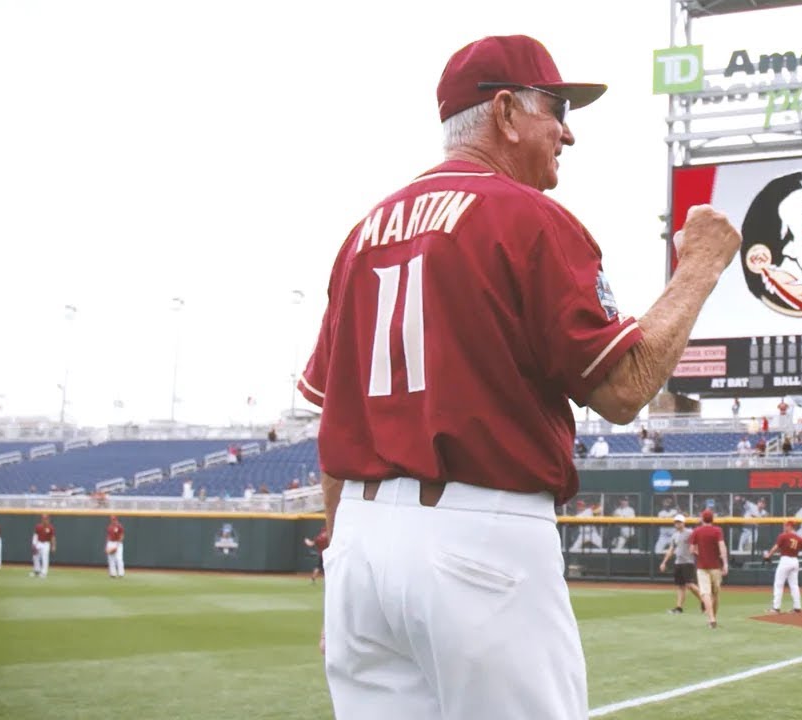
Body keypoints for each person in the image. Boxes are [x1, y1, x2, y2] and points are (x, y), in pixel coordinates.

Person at [297, 34, 743, 720]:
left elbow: (334, 423)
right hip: (478, 538)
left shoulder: (362, 234)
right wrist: (700, 269)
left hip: (359, 546)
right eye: (556, 108)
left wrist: (341, 557)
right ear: (505, 112)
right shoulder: (527, 216)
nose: (568, 132)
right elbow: (623, 390)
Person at [690, 508, 728, 629]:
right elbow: (722, 546)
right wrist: (725, 563)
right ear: (712, 519)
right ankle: (713, 618)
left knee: (705, 593)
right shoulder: (718, 530)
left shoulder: (696, 531)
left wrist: (699, 553)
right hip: (716, 566)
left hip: (702, 566)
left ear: (702, 518)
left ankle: (711, 619)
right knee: (715, 594)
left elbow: (691, 549)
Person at [659, 514, 703, 614]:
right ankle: (679, 608)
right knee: (680, 586)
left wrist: (699, 522)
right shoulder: (674, 535)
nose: (677, 524)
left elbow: (697, 538)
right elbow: (671, 549)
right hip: (678, 562)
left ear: (683, 523)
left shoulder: (690, 532)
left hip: (688, 562)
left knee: (690, 585)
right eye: (676, 522)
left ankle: (705, 600)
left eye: (679, 522)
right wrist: (664, 562)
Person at [764, 521, 802, 613]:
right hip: (795, 561)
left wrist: (768, 555)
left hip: (785, 560)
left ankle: (776, 608)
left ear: (789, 526)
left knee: (778, 584)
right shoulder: (799, 538)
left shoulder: (783, 536)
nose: (784, 527)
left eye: (785, 526)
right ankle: (797, 607)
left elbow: (776, 547)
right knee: (794, 585)